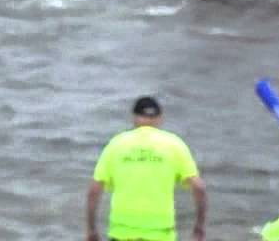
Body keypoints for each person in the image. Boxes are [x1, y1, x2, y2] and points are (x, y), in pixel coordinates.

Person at [86, 96, 207, 241]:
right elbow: (199, 188)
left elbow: (94, 191)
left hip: (122, 233)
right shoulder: (174, 144)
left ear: (134, 117)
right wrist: (199, 226)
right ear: (160, 118)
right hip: (161, 233)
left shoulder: (116, 144)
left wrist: (92, 229)